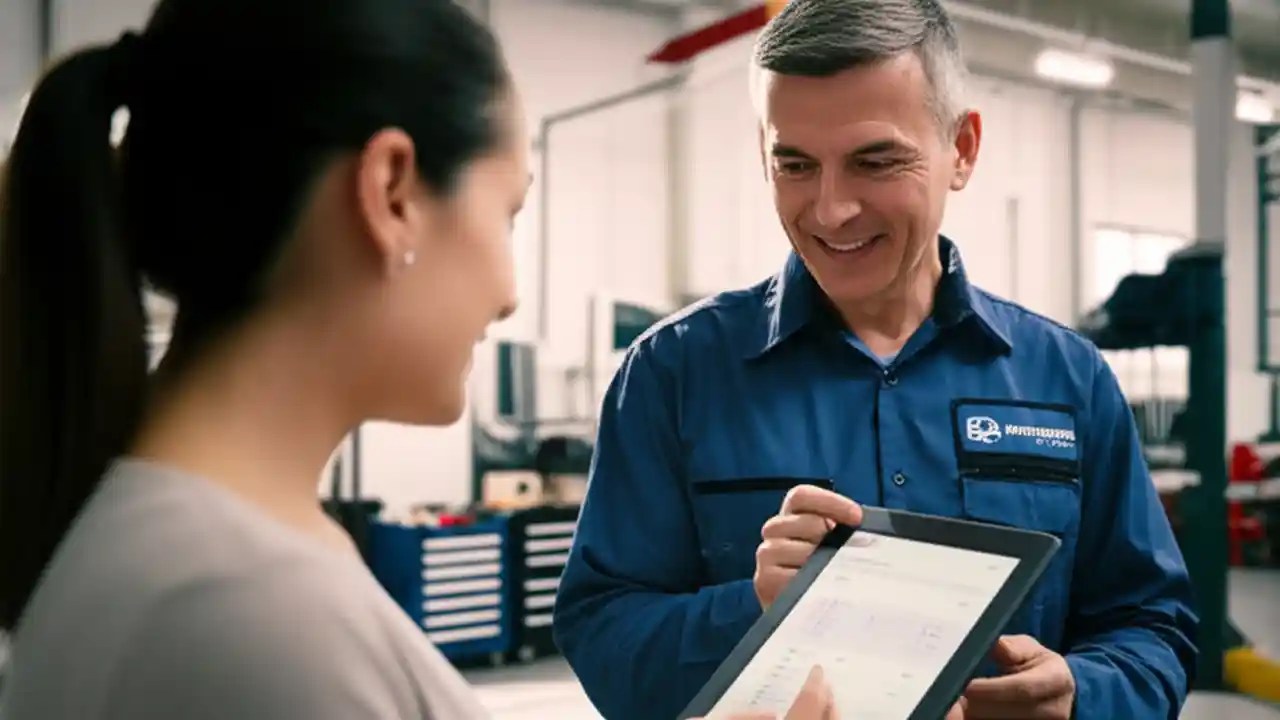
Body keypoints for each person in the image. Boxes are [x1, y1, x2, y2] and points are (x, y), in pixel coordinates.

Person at [0, 2, 838, 719]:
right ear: (393, 192)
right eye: (507, 214)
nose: (510, 292)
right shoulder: (245, 611)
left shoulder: (192, 550)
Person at [553, 1, 1200, 719]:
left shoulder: (1069, 381)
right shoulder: (671, 374)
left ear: (963, 149)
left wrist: (1085, 694)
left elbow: (1154, 626)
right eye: (794, 164)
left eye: (876, 161)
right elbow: (603, 631)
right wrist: (760, 609)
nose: (830, 210)